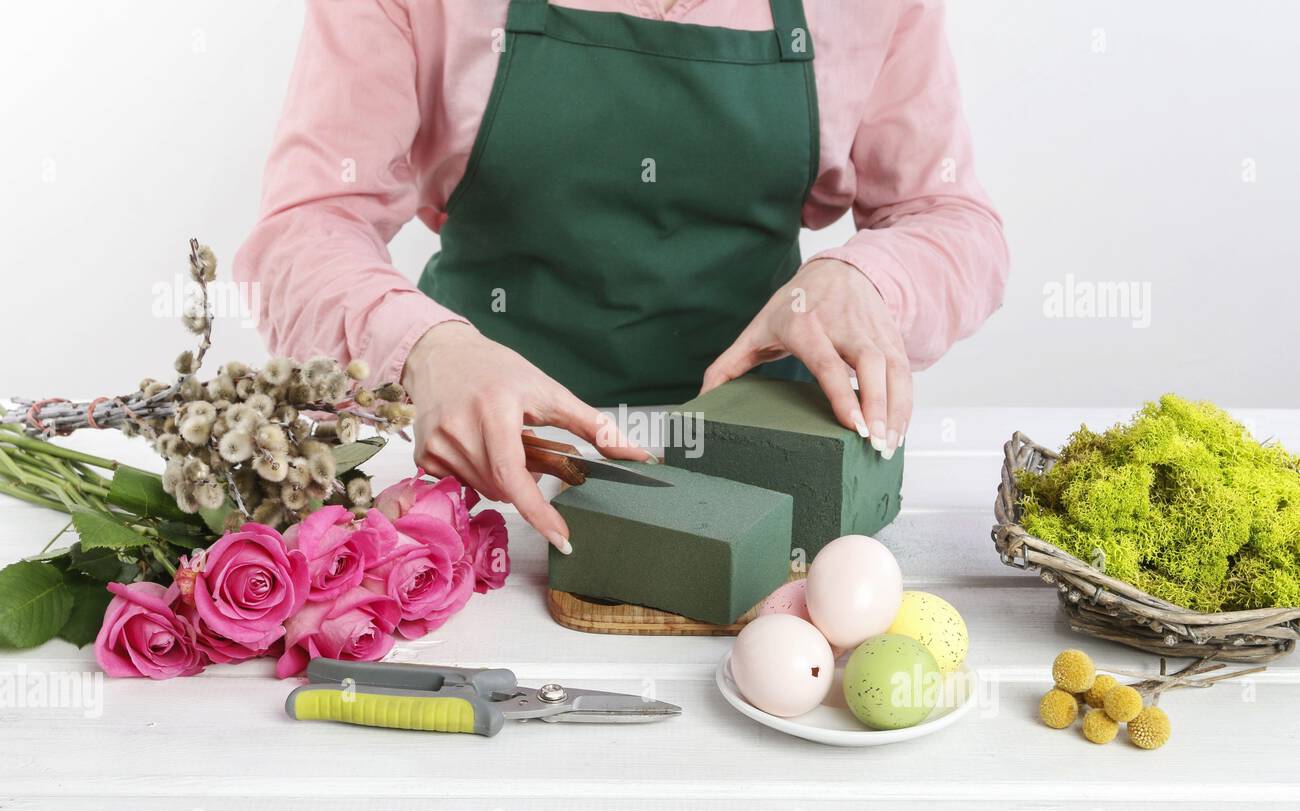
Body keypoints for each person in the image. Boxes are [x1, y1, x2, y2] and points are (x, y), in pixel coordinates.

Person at [236, 0, 1008, 554]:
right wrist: (422, 351)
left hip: (769, 490)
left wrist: (864, 279)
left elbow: (950, 218)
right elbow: (301, 231)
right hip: (480, 484)